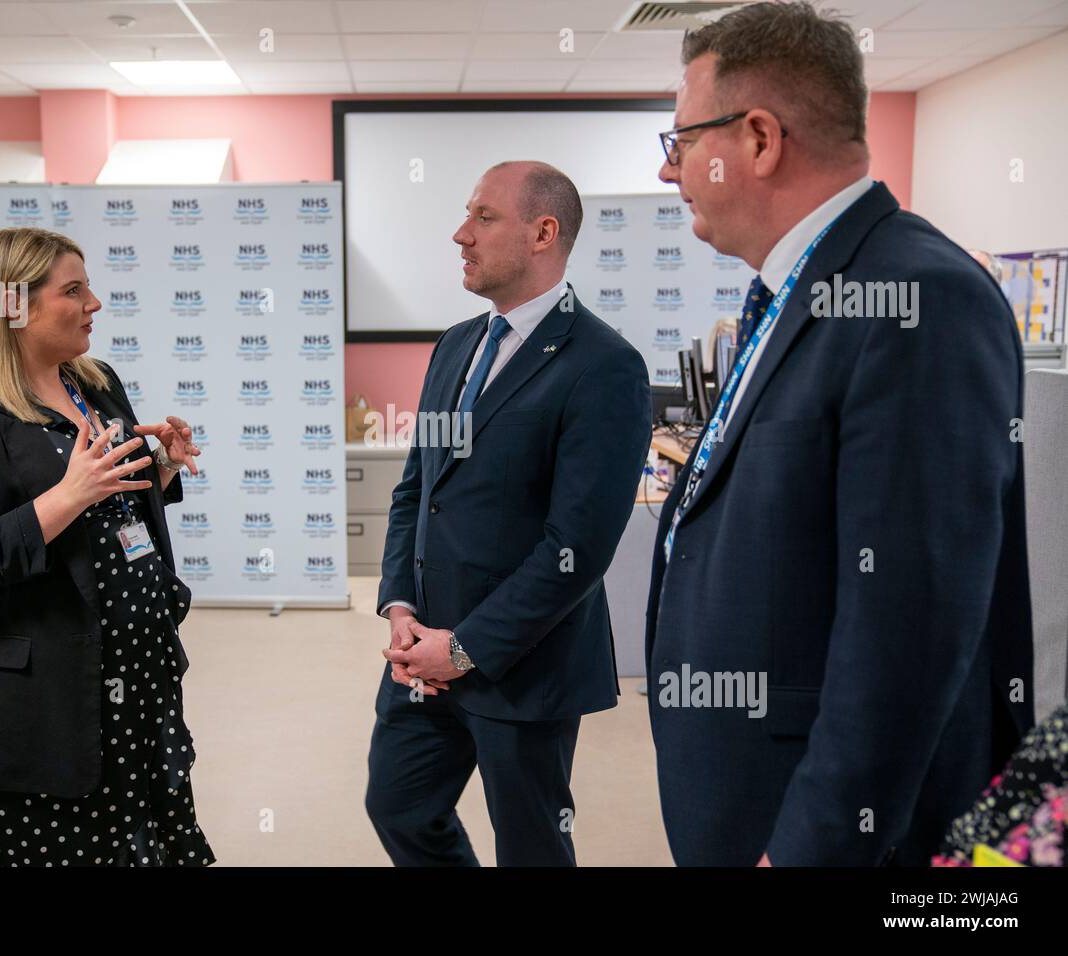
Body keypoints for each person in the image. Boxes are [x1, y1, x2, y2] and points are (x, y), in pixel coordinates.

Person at [647, 1, 1034, 866]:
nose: (671, 174)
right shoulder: (794, 294)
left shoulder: (917, 299)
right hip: (745, 793)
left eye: (680, 143)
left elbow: (905, 636)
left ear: (757, 139)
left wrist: (814, 850)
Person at [365, 161, 652, 866]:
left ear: (542, 233)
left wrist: (464, 649)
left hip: (523, 664)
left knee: (531, 846)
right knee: (398, 805)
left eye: (483, 218)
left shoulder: (605, 365)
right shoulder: (457, 345)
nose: (461, 235)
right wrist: (401, 607)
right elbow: (416, 490)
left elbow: (577, 549)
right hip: (420, 653)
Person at [0, 227, 216, 867]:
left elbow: (116, 510)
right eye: (73, 291)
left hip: (140, 680)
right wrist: (66, 495)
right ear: (13, 307)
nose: (94, 304)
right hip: (47, 702)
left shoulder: (96, 383)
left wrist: (159, 469)